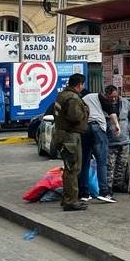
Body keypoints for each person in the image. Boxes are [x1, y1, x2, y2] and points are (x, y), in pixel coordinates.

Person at [53, 73, 89, 211]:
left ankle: (68, 198)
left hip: (63, 134)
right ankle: (71, 200)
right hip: (70, 136)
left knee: (69, 168)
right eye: (82, 84)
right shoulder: (73, 98)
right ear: (79, 84)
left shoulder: (62, 95)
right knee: (73, 168)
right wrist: (84, 111)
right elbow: (75, 116)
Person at [80, 86, 119, 204]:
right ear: (106, 94)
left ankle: (84, 193)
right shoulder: (100, 97)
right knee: (102, 161)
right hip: (97, 128)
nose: (113, 99)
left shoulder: (83, 99)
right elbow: (111, 112)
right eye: (112, 96)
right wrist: (117, 126)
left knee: (85, 162)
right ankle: (104, 192)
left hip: (84, 129)